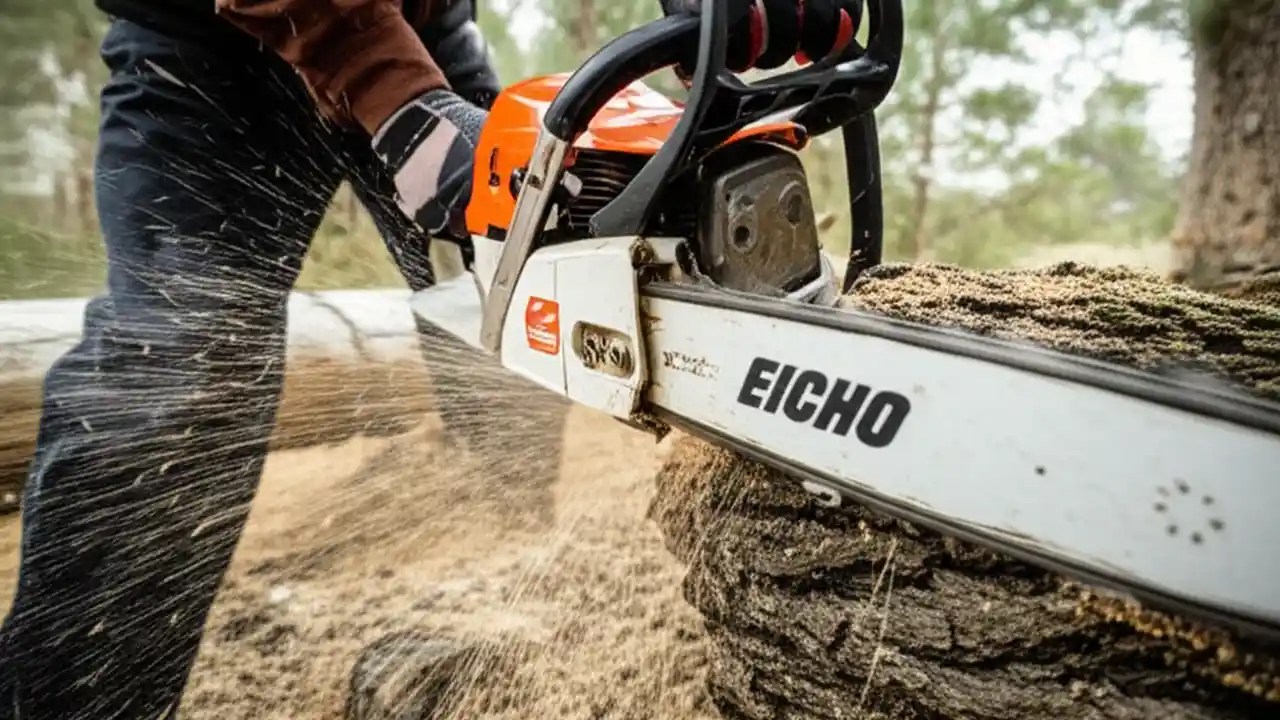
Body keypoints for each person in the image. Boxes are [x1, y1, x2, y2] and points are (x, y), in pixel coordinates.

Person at [0, 1, 861, 718]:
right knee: (184, 363)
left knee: (519, 302)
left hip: (423, 24)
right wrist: (380, 79)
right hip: (206, 49)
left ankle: (498, 563)